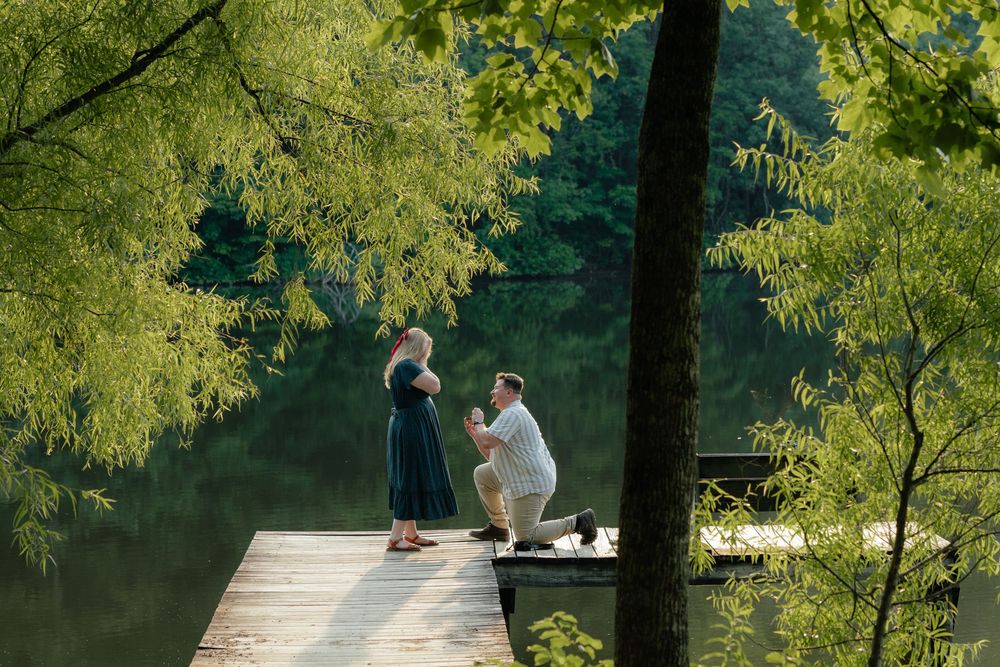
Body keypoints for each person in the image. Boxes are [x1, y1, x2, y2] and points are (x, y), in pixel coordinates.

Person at [463, 372, 597, 550]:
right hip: (520, 476)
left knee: (526, 537)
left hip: (531, 483)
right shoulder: (509, 414)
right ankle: (499, 526)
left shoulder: (513, 415)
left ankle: (579, 522)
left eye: (496, 388)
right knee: (483, 473)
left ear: (509, 392)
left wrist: (480, 422)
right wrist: (476, 436)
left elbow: (487, 440)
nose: (492, 392)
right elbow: (491, 454)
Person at [383, 327, 459, 551]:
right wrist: (422, 362)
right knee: (409, 476)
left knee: (411, 474)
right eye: (426, 348)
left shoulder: (407, 366)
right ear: (418, 347)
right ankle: (395, 538)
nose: (428, 352)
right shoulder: (407, 366)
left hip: (412, 426)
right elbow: (436, 386)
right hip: (411, 429)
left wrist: (422, 363)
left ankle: (411, 533)